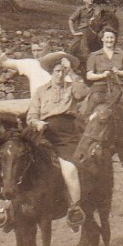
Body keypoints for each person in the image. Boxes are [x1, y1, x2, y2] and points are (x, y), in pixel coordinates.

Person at [24, 51, 90, 231]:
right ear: (51, 73)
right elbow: (31, 116)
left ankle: (75, 209)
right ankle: (9, 207)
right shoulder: (40, 92)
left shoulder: (72, 88)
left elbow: (84, 93)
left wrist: (73, 73)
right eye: (57, 71)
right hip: (45, 135)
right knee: (20, 162)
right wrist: (37, 123)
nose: (60, 75)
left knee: (70, 168)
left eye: (63, 71)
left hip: (68, 135)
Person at [0, 24, 50, 96]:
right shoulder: (31, 64)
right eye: (34, 51)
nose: (36, 54)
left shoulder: (59, 60)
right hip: (38, 104)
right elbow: (3, 61)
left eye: (39, 50)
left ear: (47, 50)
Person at [83, 26, 123, 109]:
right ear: (102, 39)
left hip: (119, 86)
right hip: (100, 87)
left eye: (112, 38)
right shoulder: (94, 56)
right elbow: (89, 75)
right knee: (93, 102)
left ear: (115, 39)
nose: (109, 40)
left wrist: (119, 72)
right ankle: (87, 120)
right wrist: (102, 75)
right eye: (107, 37)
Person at [67, 0, 118, 69]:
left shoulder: (96, 9)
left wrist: (94, 19)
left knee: (104, 39)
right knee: (72, 47)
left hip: (93, 29)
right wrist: (73, 32)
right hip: (82, 30)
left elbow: (99, 16)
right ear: (84, 0)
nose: (91, 0)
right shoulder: (80, 9)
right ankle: (70, 63)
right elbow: (70, 20)